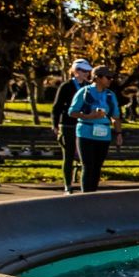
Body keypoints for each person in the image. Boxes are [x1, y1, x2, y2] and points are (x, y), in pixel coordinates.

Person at [68, 66, 122, 194]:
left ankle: (93, 193)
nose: (110, 80)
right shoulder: (84, 92)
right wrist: (88, 116)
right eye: (107, 77)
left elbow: (115, 115)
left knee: (97, 166)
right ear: (97, 78)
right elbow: (72, 112)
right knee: (88, 165)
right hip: (86, 132)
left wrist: (119, 133)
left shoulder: (110, 95)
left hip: (103, 134)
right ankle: (86, 195)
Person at [50, 58, 92, 193]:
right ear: (75, 71)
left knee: (85, 155)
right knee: (68, 155)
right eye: (83, 71)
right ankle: (68, 185)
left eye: (87, 71)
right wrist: (55, 125)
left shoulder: (88, 87)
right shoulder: (66, 86)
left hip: (83, 124)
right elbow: (57, 107)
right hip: (68, 125)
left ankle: (84, 185)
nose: (86, 73)